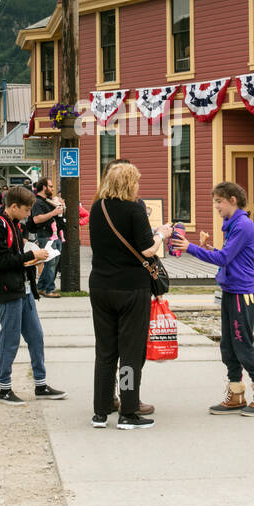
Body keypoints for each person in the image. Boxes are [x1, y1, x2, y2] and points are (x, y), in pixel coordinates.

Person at [172, 181, 254, 416]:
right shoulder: (232, 224)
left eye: (219, 201)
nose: (216, 206)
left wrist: (190, 248)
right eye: (215, 202)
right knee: (228, 346)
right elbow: (229, 256)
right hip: (231, 290)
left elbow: (224, 258)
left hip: (242, 293)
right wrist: (206, 247)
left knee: (241, 343)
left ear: (233, 200)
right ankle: (236, 392)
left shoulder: (243, 225)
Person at [89, 162, 162, 430]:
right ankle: (128, 412)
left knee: (105, 351)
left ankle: (100, 411)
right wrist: (161, 237)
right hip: (131, 288)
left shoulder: (98, 208)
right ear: (129, 184)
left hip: (100, 286)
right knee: (130, 353)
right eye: (137, 182)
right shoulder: (134, 209)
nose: (139, 186)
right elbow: (147, 250)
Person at [0, 185, 65, 405]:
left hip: (24, 288)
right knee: (9, 339)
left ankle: (40, 384)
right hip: (9, 290)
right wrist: (30, 255)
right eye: (27, 210)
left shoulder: (13, 223)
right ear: (13, 207)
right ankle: (4, 388)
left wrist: (33, 259)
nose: (29, 214)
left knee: (36, 336)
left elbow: (15, 256)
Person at [27, 177, 66, 298]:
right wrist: (53, 213)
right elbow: (36, 219)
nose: (52, 188)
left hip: (54, 235)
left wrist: (60, 207)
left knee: (52, 262)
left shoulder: (47, 201)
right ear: (44, 187)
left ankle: (41, 287)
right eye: (50, 186)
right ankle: (49, 289)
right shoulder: (37, 202)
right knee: (50, 263)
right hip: (46, 235)